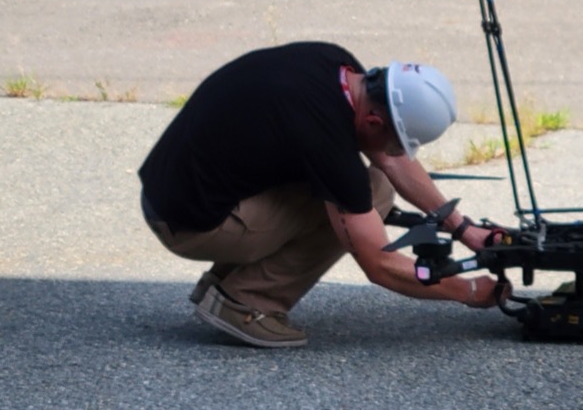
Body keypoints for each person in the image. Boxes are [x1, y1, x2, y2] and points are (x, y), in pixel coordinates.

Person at [138, 41, 508, 348]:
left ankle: (223, 282)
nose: (397, 154)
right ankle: (244, 302)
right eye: (399, 144)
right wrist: (470, 290)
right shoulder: (325, 136)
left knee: (370, 187)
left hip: (176, 192)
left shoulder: (339, 67)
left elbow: (392, 164)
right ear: (375, 121)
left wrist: (465, 230)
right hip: (188, 224)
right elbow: (379, 265)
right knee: (367, 197)